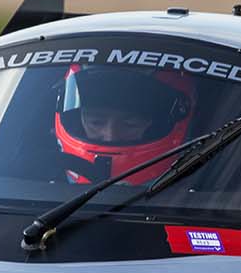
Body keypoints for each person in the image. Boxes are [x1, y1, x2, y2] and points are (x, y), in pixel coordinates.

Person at [53, 65, 197, 185]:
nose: (110, 136)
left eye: (130, 124)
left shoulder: (205, 186)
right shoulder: (36, 178)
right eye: (96, 122)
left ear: (157, 125)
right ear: (78, 120)